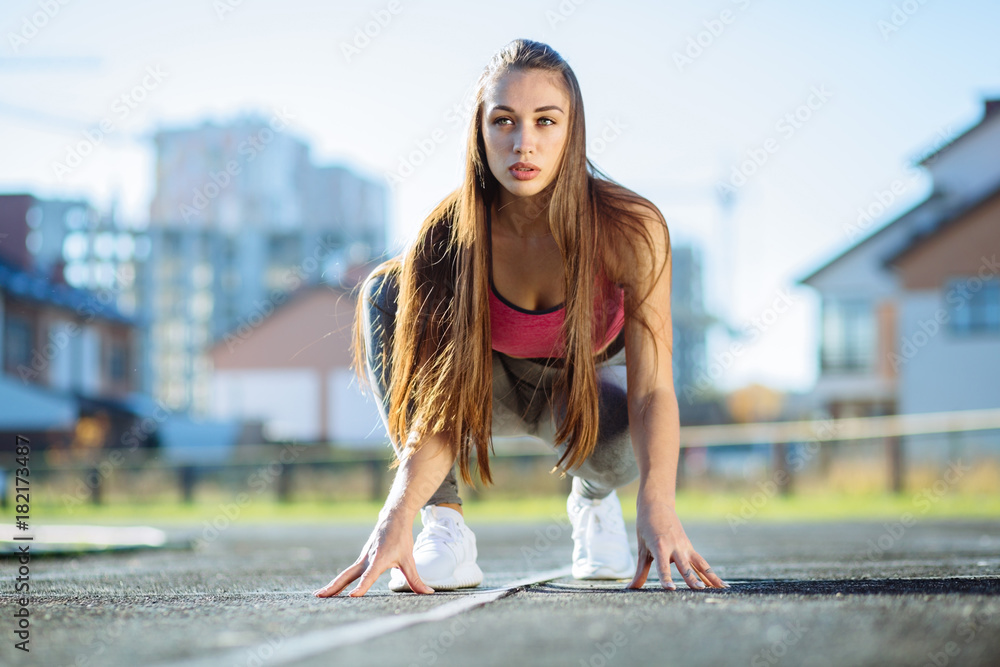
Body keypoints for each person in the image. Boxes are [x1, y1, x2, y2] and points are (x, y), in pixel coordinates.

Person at [314, 38, 727, 598]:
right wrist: (398, 515)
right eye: (504, 121)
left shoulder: (632, 230)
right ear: (480, 131)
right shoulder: (448, 236)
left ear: (572, 130)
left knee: (625, 449)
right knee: (387, 287)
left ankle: (593, 499)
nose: (523, 142)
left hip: (582, 398)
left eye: (545, 121)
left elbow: (653, 390)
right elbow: (438, 406)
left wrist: (659, 506)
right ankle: (446, 526)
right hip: (485, 390)